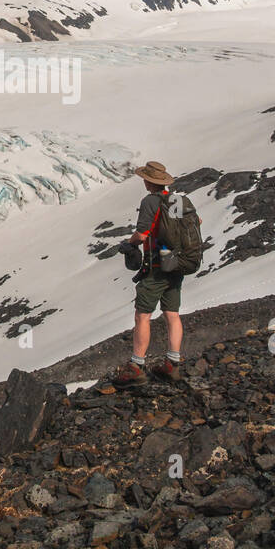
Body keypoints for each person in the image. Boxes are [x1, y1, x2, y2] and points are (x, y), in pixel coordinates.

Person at [113, 160, 184, 387]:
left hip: (156, 266)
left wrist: (129, 243)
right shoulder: (178, 200)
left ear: (149, 182)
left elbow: (142, 234)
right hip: (176, 263)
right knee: (172, 313)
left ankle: (136, 366)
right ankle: (173, 363)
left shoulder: (150, 201)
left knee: (142, 315)